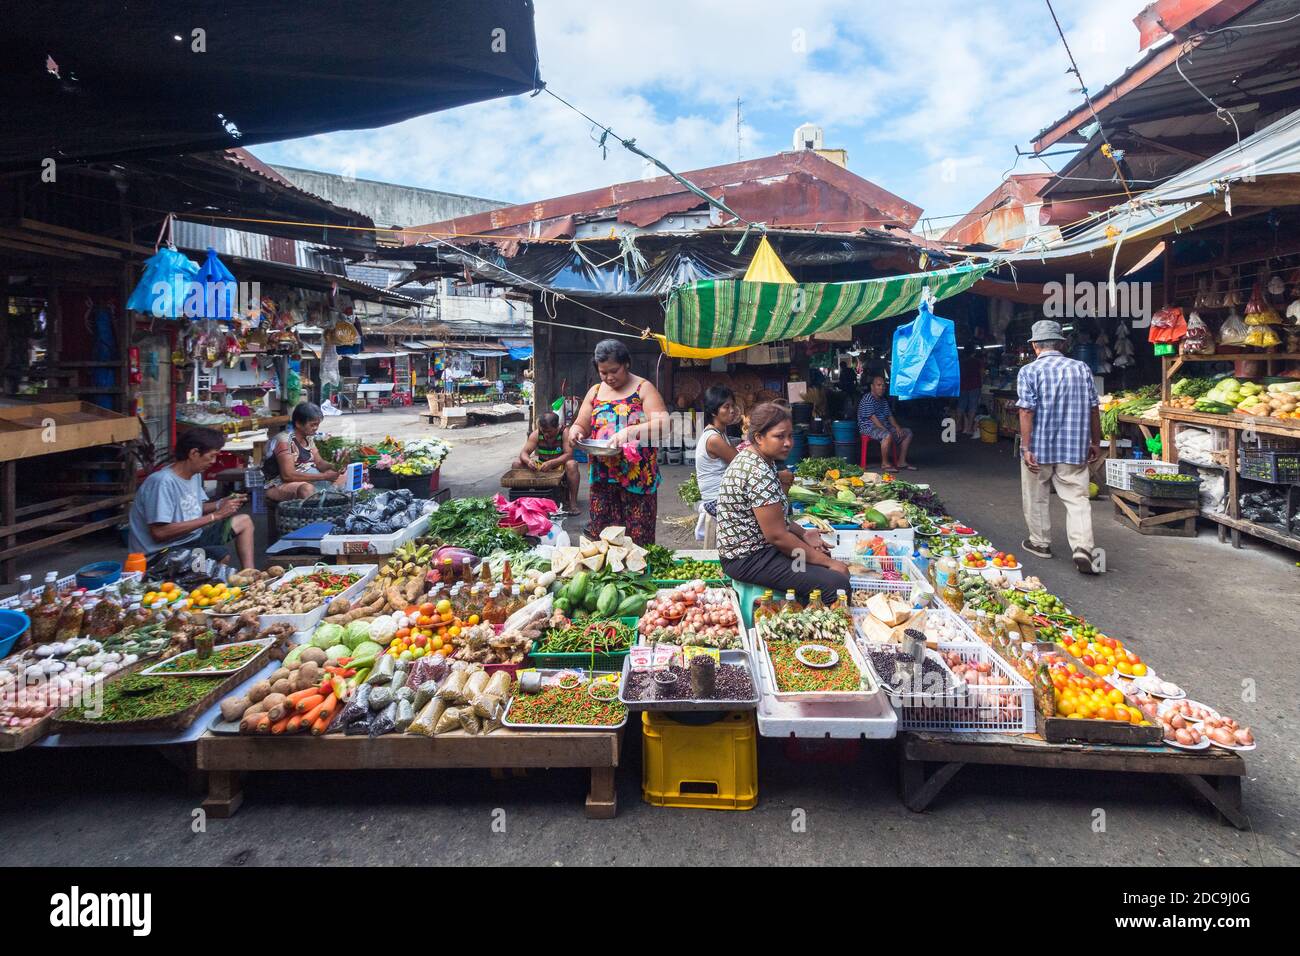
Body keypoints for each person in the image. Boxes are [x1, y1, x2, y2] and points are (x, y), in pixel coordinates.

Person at [715, 402, 850, 600]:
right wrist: (827, 564)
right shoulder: (757, 472)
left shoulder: (758, 459)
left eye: (790, 436)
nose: (788, 443)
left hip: (761, 550)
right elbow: (778, 536)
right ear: (759, 438)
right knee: (836, 584)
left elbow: (776, 520)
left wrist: (803, 533)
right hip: (749, 559)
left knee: (820, 563)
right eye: (779, 436)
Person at [1017, 320, 1103, 574]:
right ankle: (1083, 548)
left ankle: (1040, 543)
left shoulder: (1029, 372)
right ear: (1063, 344)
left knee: (1036, 495)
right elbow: (1093, 407)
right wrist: (1095, 441)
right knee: (1077, 498)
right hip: (1073, 447)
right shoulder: (1081, 368)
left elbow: (1025, 411)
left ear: (1034, 346)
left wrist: (1026, 447)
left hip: (1039, 448)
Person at [567, 338, 669, 546]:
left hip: (638, 477)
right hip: (602, 477)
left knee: (638, 538)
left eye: (614, 371)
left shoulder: (643, 388)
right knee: (603, 538)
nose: (609, 377)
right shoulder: (595, 391)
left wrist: (630, 432)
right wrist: (576, 432)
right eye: (603, 372)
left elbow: (664, 423)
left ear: (626, 364)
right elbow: (582, 423)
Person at [128, 427, 255, 569]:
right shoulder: (162, 482)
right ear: (194, 453)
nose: (214, 461)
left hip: (190, 539)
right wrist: (216, 515)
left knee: (244, 521)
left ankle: (250, 574)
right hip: (162, 553)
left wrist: (221, 504)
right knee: (219, 555)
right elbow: (160, 532)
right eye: (212, 456)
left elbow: (193, 508)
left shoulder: (194, 474)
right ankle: (195, 585)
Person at [264, 402, 349, 502]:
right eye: (312, 425)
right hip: (279, 484)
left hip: (305, 478)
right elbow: (288, 475)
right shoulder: (284, 441)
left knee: (344, 476)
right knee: (306, 489)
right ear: (298, 424)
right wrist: (324, 476)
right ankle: (318, 512)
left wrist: (334, 466)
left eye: (317, 424)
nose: (316, 428)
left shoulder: (308, 439)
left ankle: (329, 507)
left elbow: (320, 463)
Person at [694, 385, 741, 549]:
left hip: (722, 496)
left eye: (732, 406)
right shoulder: (713, 439)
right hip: (717, 500)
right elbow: (741, 464)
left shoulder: (720, 433)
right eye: (726, 407)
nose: (732, 410)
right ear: (714, 412)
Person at [516, 411, 581, 516]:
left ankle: (572, 504)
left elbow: (568, 454)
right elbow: (523, 453)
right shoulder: (536, 434)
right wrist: (528, 461)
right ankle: (521, 502)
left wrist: (552, 463)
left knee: (572, 464)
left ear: (557, 427)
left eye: (549, 431)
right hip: (541, 466)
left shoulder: (565, 432)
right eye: (544, 430)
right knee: (517, 464)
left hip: (559, 466)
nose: (546, 434)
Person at [858, 374, 915, 470]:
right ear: (872, 387)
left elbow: (889, 416)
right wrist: (887, 430)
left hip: (883, 427)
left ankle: (901, 461)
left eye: (883, 385)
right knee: (887, 435)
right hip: (868, 428)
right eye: (879, 385)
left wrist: (897, 427)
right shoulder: (867, 399)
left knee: (908, 433)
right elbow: (873, 418)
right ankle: (885, 463)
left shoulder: (883, 401)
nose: (882, 388)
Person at [957, 343, 985, 438]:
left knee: (961, 406)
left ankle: (958, 426)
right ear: (974, 352)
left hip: (963, 385)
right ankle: (969, 429)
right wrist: (981, 385)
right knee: (972, 407)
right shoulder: (978, 362)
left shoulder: (961, 362)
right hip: (975, 386)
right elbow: (981, 374)